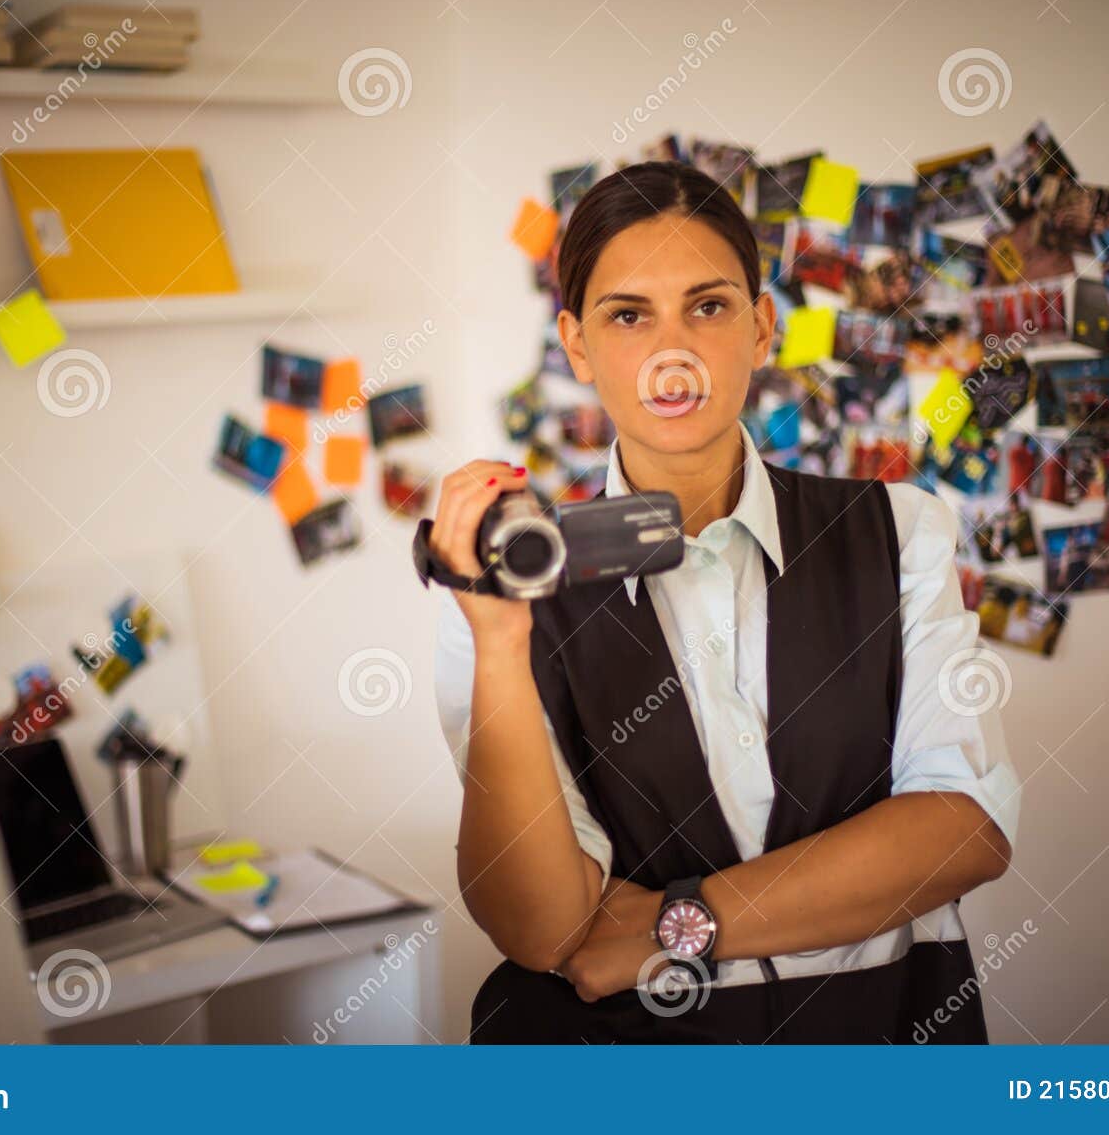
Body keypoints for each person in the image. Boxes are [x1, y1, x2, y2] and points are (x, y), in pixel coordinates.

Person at [430, 161, 1020, 1043]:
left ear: (762, 326)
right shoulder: (503, 590)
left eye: (708, 306)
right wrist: (502, 644)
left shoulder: (899, 531)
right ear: (578, 345)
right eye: (628, 315)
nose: (675, 351)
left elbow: (962, 830)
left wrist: (679, 925)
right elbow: (541, 927)